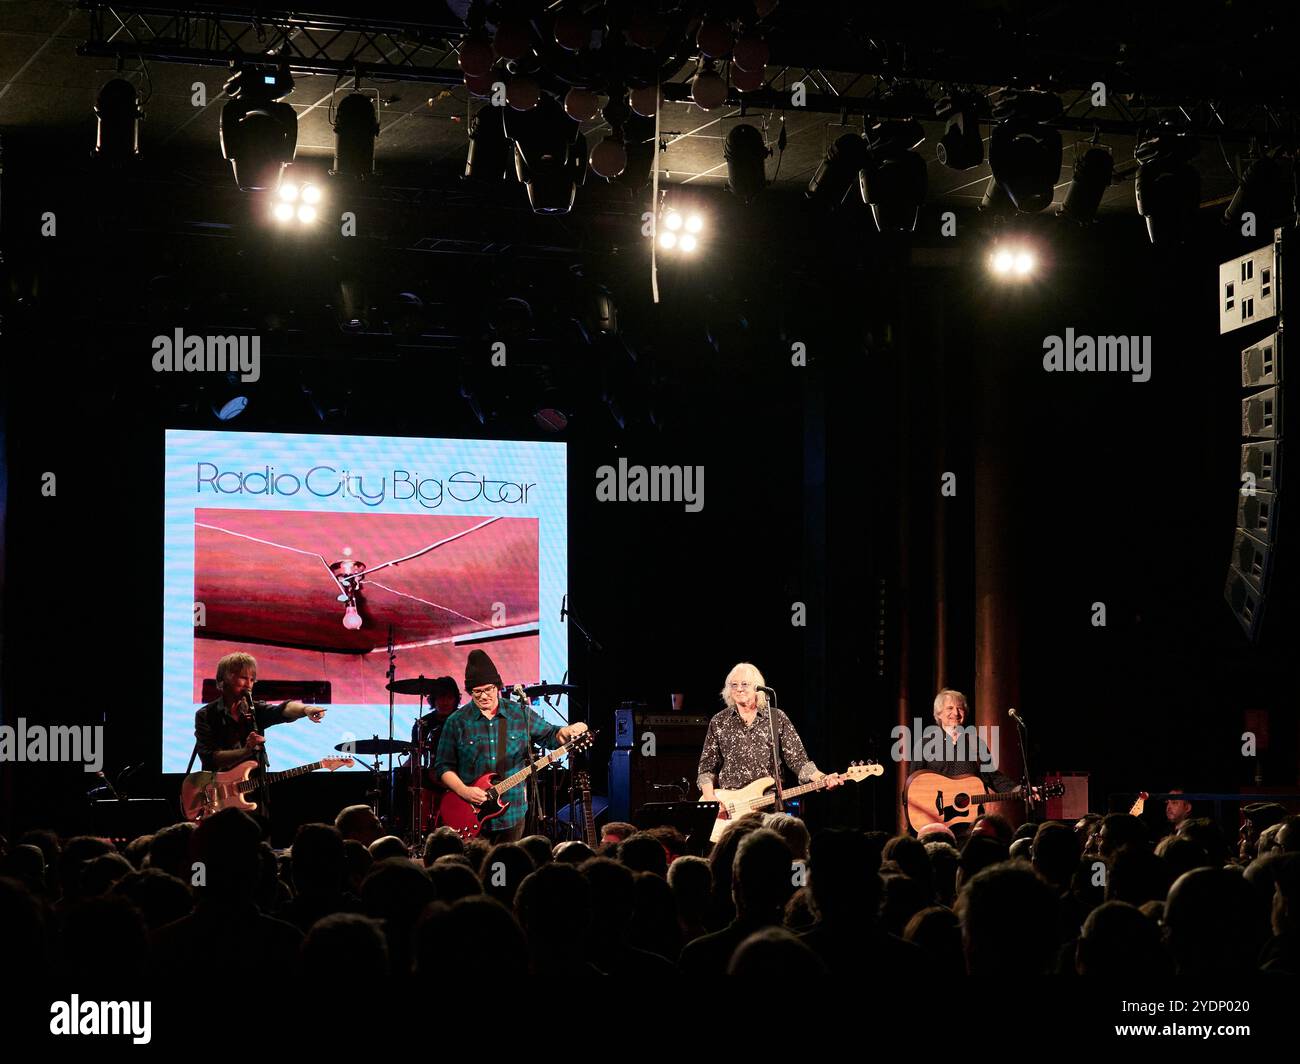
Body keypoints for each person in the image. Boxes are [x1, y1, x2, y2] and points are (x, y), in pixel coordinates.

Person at [435, 649, 588, 843]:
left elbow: (551, 735)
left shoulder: (519, 713)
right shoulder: (457, 721)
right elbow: (443, 766)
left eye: (489, 689)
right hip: (470, 813)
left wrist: (566, 732)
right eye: (477, 692)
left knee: (508, 869)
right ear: (469, 692)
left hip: (512, 812)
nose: (484, 696)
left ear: (497, 686)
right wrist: (465, 791)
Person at [192, 652, 327, 830]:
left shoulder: (255, 711)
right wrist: (246, 751)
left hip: (252, 799)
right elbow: (210, 757)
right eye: (242, 678)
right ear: (222, 680)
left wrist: (306, 709)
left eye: (252, 679)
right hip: (218, 799)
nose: (249, 684)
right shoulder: (206, 715)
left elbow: (283, 709)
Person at [696, 663, 841, 828]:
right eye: (734, 685)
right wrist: (711, 800)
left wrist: (823, 778)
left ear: (758, 687)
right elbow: (706, 769)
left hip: (769, 807)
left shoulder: (776, 718)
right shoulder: (719, 721)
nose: (739, 689)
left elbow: (799, 761)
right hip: (731, 810)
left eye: (745, 684)